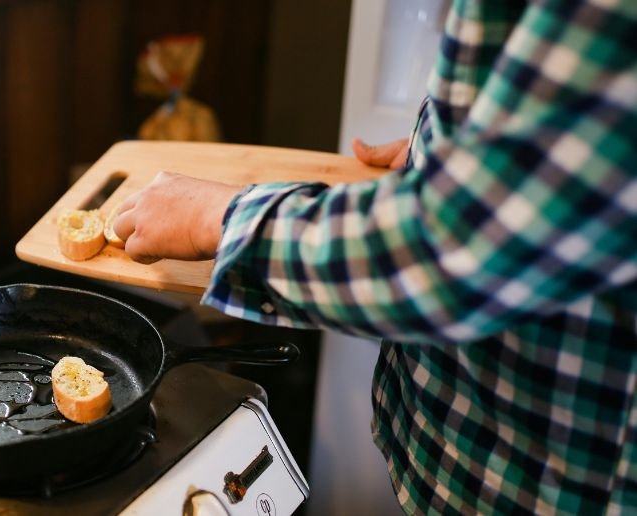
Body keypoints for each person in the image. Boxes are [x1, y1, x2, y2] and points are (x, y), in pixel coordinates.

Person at [112, 1, 637, 514]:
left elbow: (452, 248)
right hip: (463, 452)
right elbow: (573, 154)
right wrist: (455, 153)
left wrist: (220, 217)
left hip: (537, 482)